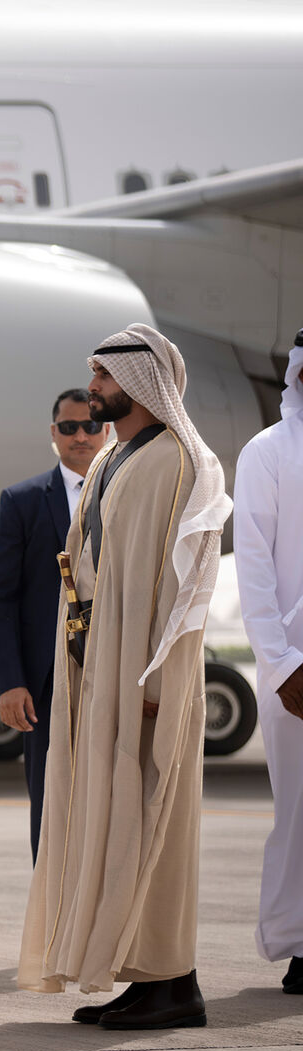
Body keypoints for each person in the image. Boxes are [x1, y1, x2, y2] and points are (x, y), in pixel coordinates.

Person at [20, 325, 230, 1029]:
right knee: (113, 824)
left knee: (153, 820)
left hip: (145, 675)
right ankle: (140, 974)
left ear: (140, 382)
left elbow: (183, 583)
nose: (94, 388)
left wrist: (156, 679)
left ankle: (175, 982)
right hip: (100, 666)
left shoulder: (176, 460)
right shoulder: (117, 457)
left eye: (105, 377)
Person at [0, 389, 111, 860]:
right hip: (44, 683)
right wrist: (11, 683)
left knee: (114, 798)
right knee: (50, 801)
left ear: (106, 431)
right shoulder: (22, 501)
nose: (81, 436)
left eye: (90, 426)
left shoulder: (127, 495)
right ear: (53, 433)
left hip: (114, 670)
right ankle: (50, 897)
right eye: (69, 427)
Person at [244, 329, 303, 993]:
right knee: (300, 812)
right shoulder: (269, 451)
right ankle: (299, 941)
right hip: (297, 665)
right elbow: (254, 565)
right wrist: (281, 663)